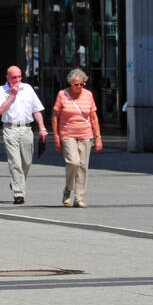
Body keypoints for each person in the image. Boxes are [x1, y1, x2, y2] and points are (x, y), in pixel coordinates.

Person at [0, 65, 47, 204]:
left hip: (26, 129)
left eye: (19, 77)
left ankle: (17, 182)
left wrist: (42, 128)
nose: (17, 80)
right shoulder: (1, 91)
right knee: (15, 162)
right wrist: (12, 95)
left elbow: (36, 110)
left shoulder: (28, 89)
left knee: (27, 162)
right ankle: (19, 193)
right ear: (7, 77)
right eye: (14, 77)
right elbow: (0, 111)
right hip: (10, 129)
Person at [51, 68, 102, 208]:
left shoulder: (88, 95)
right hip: (67, 133)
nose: (79, 87)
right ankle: (68, 189)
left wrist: (98, 137)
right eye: (76, 84)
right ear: (70, 83)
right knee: (73, 162)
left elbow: (93, 117)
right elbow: (55, 116)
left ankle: (79, 198)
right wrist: (56, 136)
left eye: (82, 84)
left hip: (85, 134)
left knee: (83, 166)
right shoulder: (62, 95)